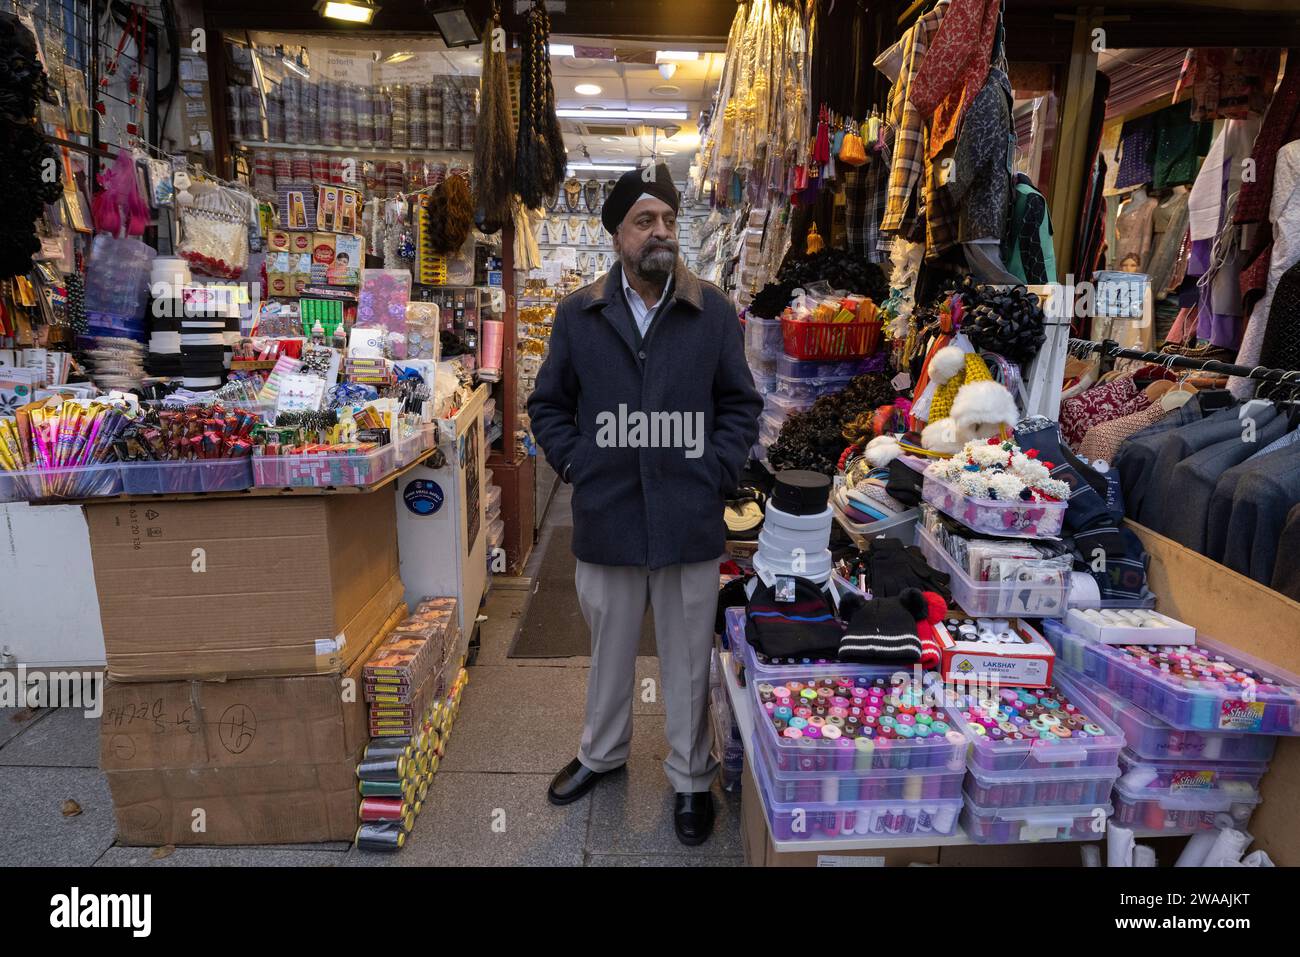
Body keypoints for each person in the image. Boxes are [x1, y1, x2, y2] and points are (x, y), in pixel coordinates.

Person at [527, 163, 762, 845]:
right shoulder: (579, 315)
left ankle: (690, 775)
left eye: (668, 219)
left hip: (689, 517)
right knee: (608, 648)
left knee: (689, 653)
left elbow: (740, 404)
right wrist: (576, 462)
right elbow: (549, 404)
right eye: (644, 220)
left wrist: (717, 468)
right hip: (609, 516)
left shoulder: (710, 311)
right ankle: (602, 753)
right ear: (618, 236)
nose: (661, 232)